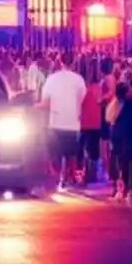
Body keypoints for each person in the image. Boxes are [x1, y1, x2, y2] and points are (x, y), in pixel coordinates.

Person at [39, 52, 87, 189]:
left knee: (56, 153)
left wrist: (34, 106)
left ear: (59, 62)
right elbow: (81, 99)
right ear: (74, 62)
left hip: (56, 121)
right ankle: (67, 178)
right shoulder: (79, 80)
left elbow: (46, 102)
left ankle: (57, 179)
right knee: (70, 154)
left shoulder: (51, 79)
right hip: (73, 122)